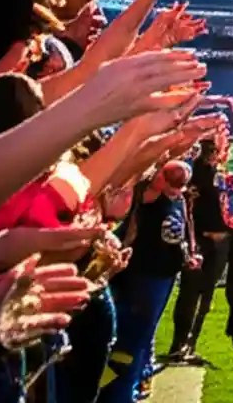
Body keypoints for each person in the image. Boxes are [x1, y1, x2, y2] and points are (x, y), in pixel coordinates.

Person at [98, 161, 196, 403]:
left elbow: (183, 230)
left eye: (182, 183)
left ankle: (138, 381)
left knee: (145, 334)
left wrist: (189, 254)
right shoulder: (150, 196)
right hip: (145, 276)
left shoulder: (178, 199)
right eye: (174, 181)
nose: (178, 188)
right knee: (134, 337)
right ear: (161, 177)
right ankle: (121, 393)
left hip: (165, 276)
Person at [168, 127, 233, 365]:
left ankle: (189, 344)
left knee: (206, 294)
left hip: (220, 241)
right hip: (199, 240)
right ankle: (179, 344)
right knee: (191, 293)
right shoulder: (197, 172)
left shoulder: (222, 174)